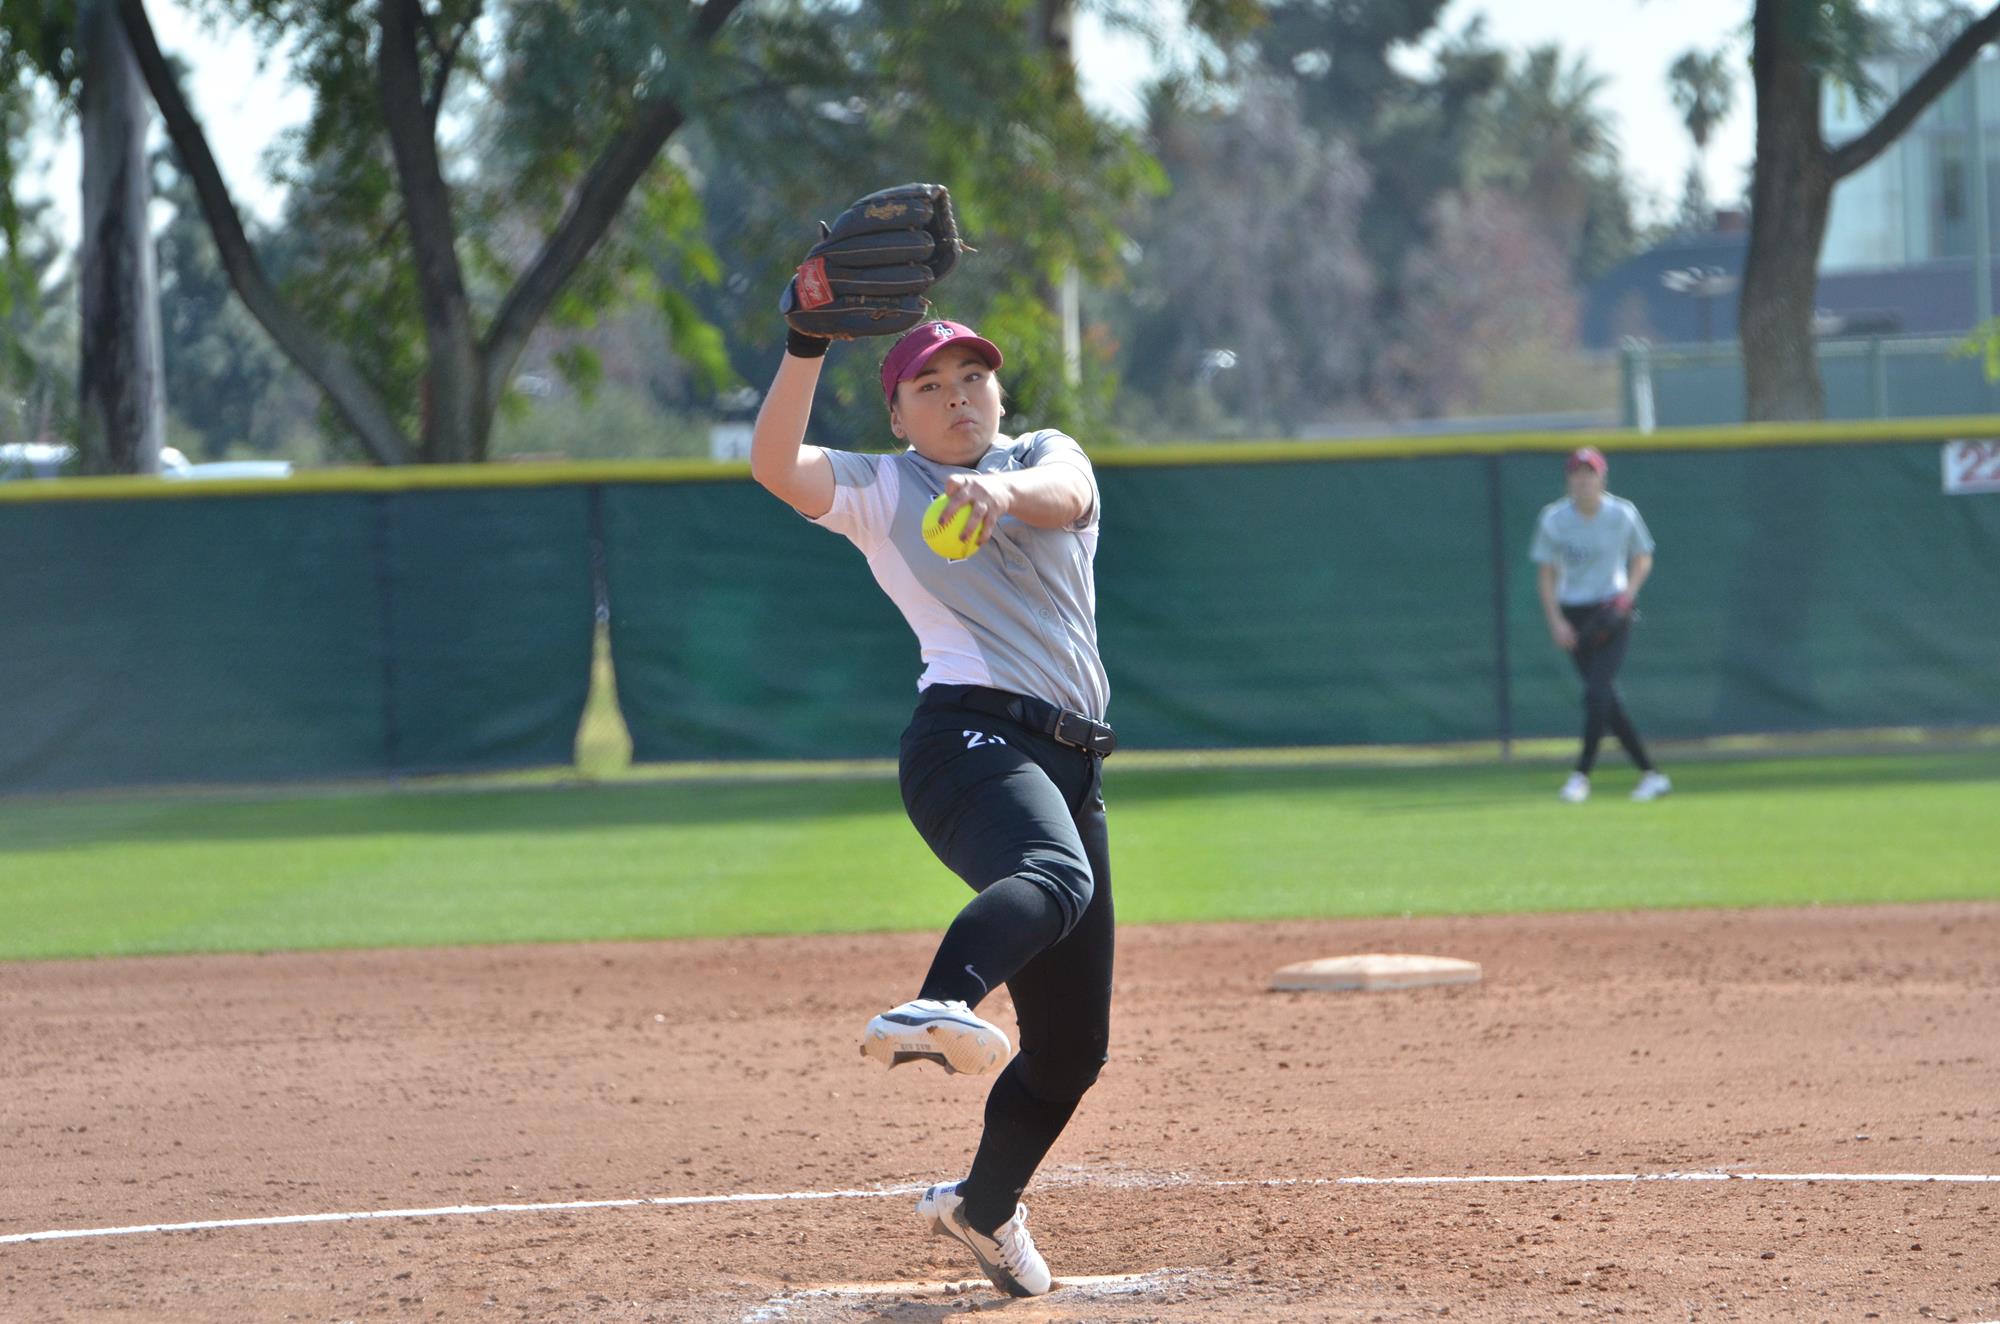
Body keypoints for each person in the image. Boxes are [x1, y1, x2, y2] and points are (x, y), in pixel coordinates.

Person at [748, 315, 1115, 1299]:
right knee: (1052, 876)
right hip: (964, 739)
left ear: (997, 394)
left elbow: (1065, 493)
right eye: (929, 385)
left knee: (1073, 1048)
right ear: (899, 414)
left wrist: (996, 489)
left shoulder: (1039, 455)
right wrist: (803, 341)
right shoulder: (883, 488)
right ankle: (941, 999)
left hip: (1072, 762)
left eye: (972, 377)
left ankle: (984, 1208)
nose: (957, 395)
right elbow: (776, 463)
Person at [1530, 446, 1671, 804]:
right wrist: (1556, 622)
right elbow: (1545, 575)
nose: (1583, 479)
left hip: (1612, 610)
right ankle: (1651, 775)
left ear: (1601, 478)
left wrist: (1628, 595)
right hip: (1574, 614)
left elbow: (1643, 557)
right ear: (1569, 480)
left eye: (1589, 473)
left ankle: (1581, 776)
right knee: (1605, 699)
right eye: (1577, 473)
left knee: (1596, 693)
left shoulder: (1622, 514)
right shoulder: (1554, 519)